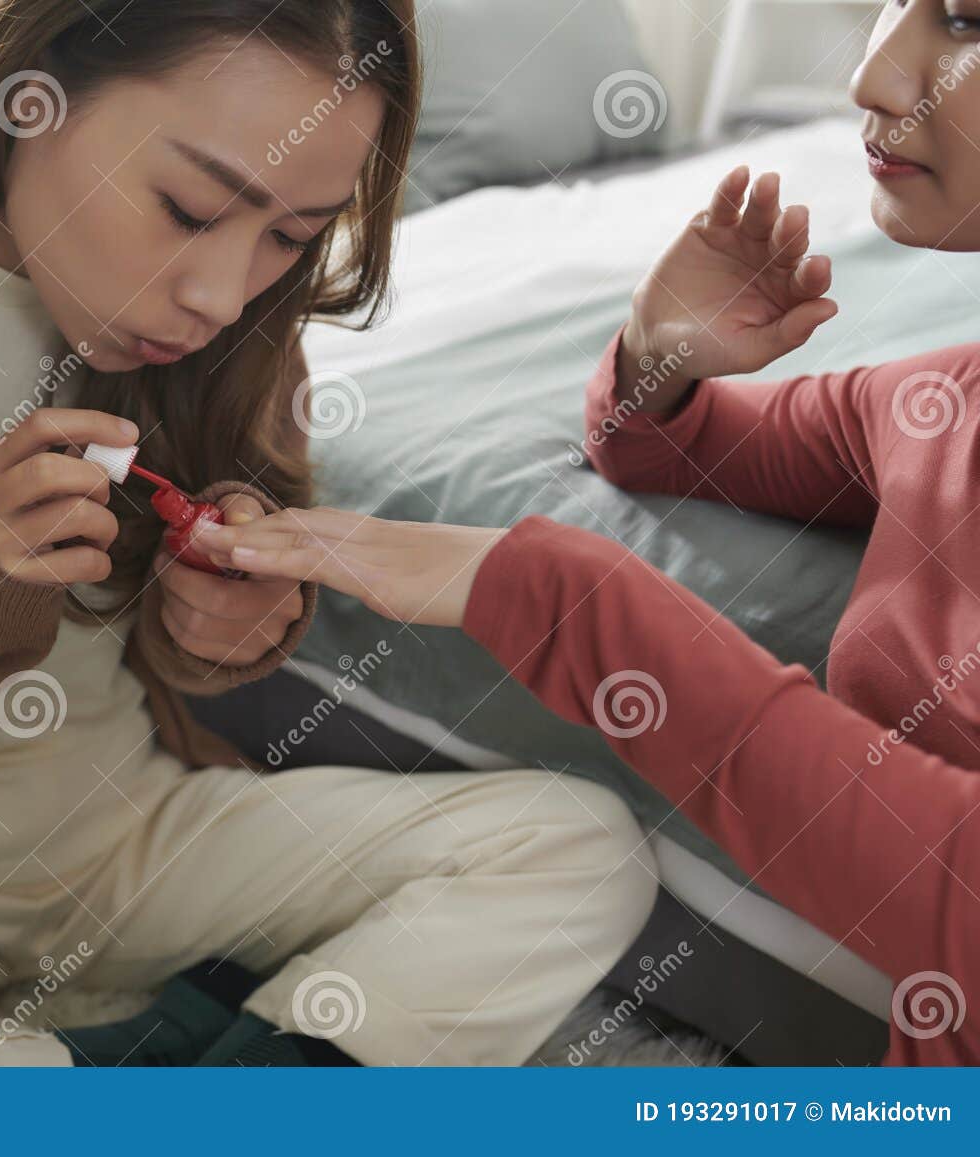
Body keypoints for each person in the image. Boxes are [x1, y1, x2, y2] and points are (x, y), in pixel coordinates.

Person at [0, 0, 656, 1067]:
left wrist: (224, 620)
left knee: (582, 854)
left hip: (133, 835)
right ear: (34, 82)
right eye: (189, 208)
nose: (221, 295)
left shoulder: (240, 315)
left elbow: (202, 620)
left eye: (291, 235)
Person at [191, 0, 980, 1065]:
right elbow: (663, 444)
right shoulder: (940, 401)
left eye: (967, 21)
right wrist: (660, 347)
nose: (874, 78)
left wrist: (551, 591)